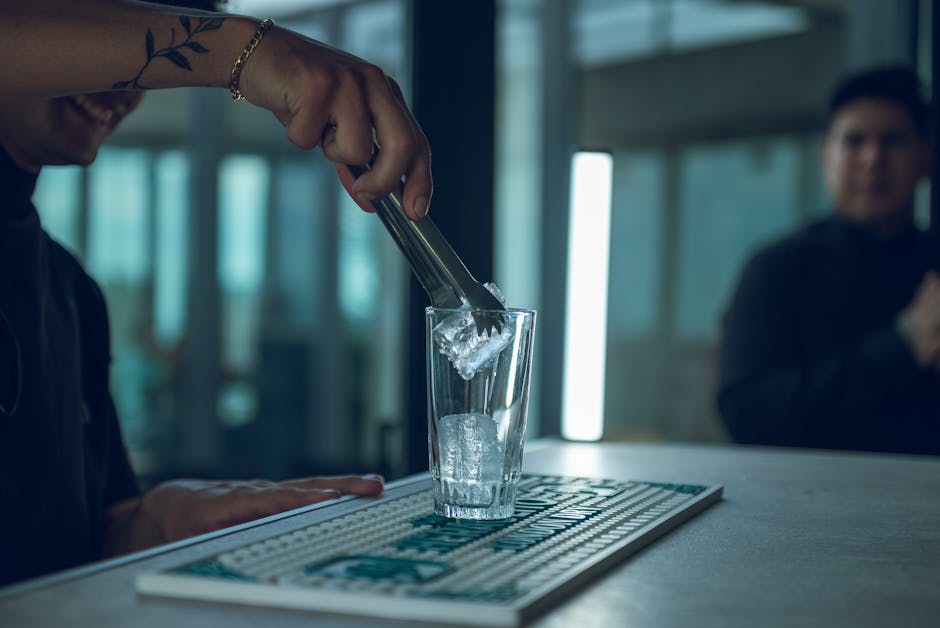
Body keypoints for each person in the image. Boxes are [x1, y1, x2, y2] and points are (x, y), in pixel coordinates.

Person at [0, 0, 433, 586]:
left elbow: (87, 541)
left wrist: (161, 520)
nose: (126, 90)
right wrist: (240, 49)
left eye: (141, 72)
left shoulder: (71, 293)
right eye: (121, 29)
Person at [716, 66, 940, 455]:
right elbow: (745, 414)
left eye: (893, 141)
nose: (873, 158)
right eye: (854, 141)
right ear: (827, 157)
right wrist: (901, 347)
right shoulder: (778, 269)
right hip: (807, 507)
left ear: (925, 157)